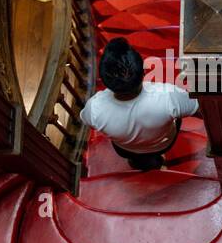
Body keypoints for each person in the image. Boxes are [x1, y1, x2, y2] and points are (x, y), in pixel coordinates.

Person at [80, 38, 199, 172]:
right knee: (177, 111)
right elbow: (198, 108)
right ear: (144, 72)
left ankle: (140, 163)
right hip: (163, 144)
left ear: (104, 81)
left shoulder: (94, 108)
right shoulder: (169, 96)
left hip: (125, 149)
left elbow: (86, 120)